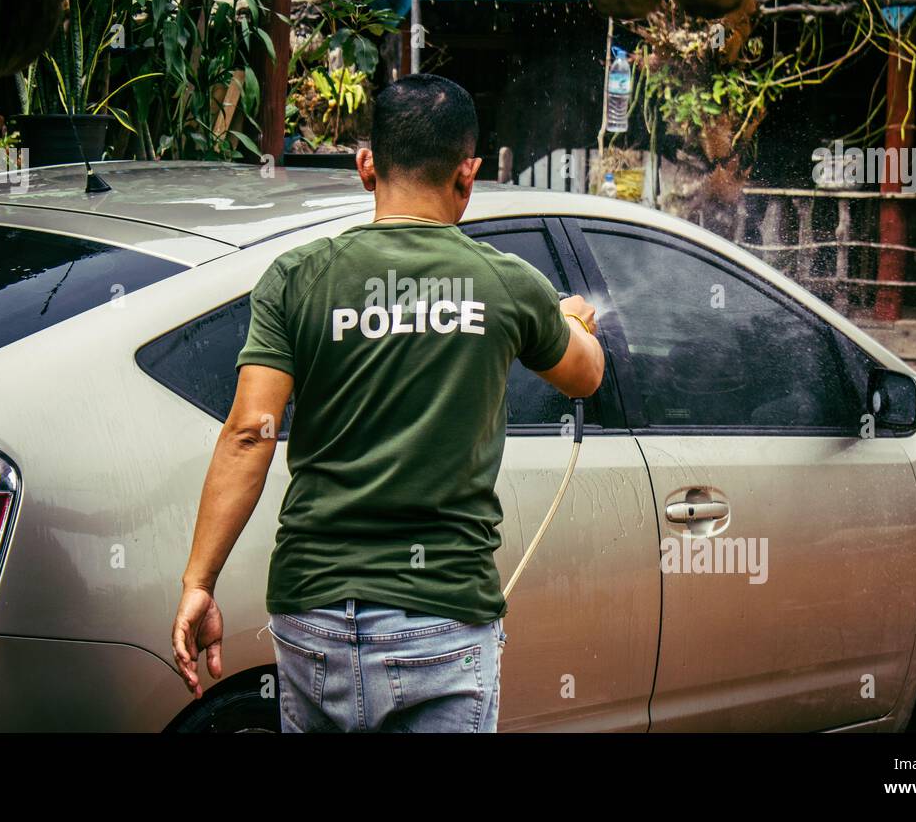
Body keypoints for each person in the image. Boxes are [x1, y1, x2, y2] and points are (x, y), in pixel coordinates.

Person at [171, 73, 605, 732]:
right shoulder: (509, 285)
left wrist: (198, 583)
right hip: (441, 621)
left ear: (366, 165)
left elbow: (249, 435)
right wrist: (570, 322)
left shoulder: (296, 277)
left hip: (311, 613)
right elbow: (586, 376)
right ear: (469, 174)